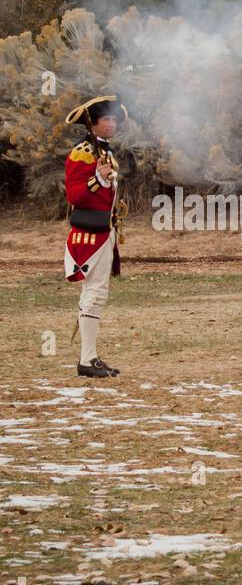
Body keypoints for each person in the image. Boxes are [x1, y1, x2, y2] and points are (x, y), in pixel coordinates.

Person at [63, 95, 128, 378]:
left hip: (105, 231)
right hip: (90, 234)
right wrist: (97, 180)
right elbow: (74, 195)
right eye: (107, 120)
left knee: (96, 293)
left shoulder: (104, 152)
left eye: (114, 119)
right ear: (94, 124)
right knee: (95, 293)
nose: (112, 124)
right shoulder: (82, 153)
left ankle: (89, 357)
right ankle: (87, 360)